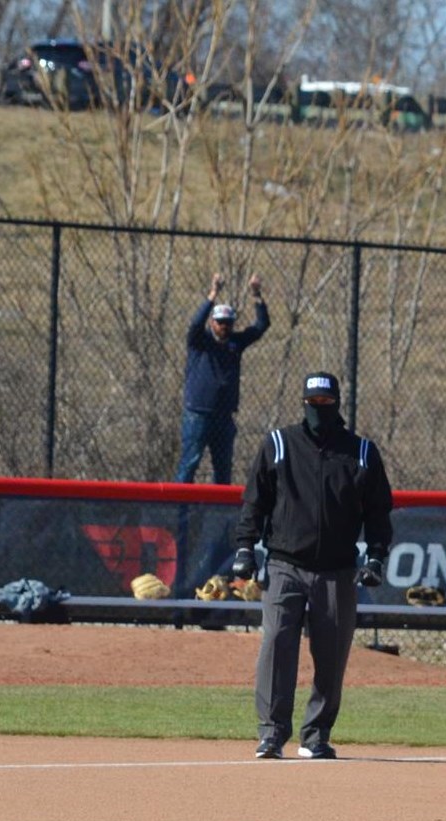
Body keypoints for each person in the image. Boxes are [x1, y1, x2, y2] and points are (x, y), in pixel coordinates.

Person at [231, 372, 393, 760]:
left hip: (337, 570)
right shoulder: (279, 444)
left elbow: (378, 512)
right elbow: (255, 501)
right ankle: (271, 733)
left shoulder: (362, 452)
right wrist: (245, 548)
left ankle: (316, 734)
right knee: (276, 645)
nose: (318, 408)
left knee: (332, 655)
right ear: (303, 403)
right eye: (312, 402)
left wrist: (375, 556)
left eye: (325, 402)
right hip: (286, 563)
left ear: (337, 402)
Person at [177, 272, 270, 484]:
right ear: (212, 322)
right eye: (220, 322)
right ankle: (179, 514)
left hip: (224, 416)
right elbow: (195, 325)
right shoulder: (199, 342)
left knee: (223, 470)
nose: (224, 326)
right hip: (198, 413)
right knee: (188, 467)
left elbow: (261, 326)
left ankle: (218, 517)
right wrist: (213, 294)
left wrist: (256, 294)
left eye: (228, 322)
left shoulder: (235, 343)